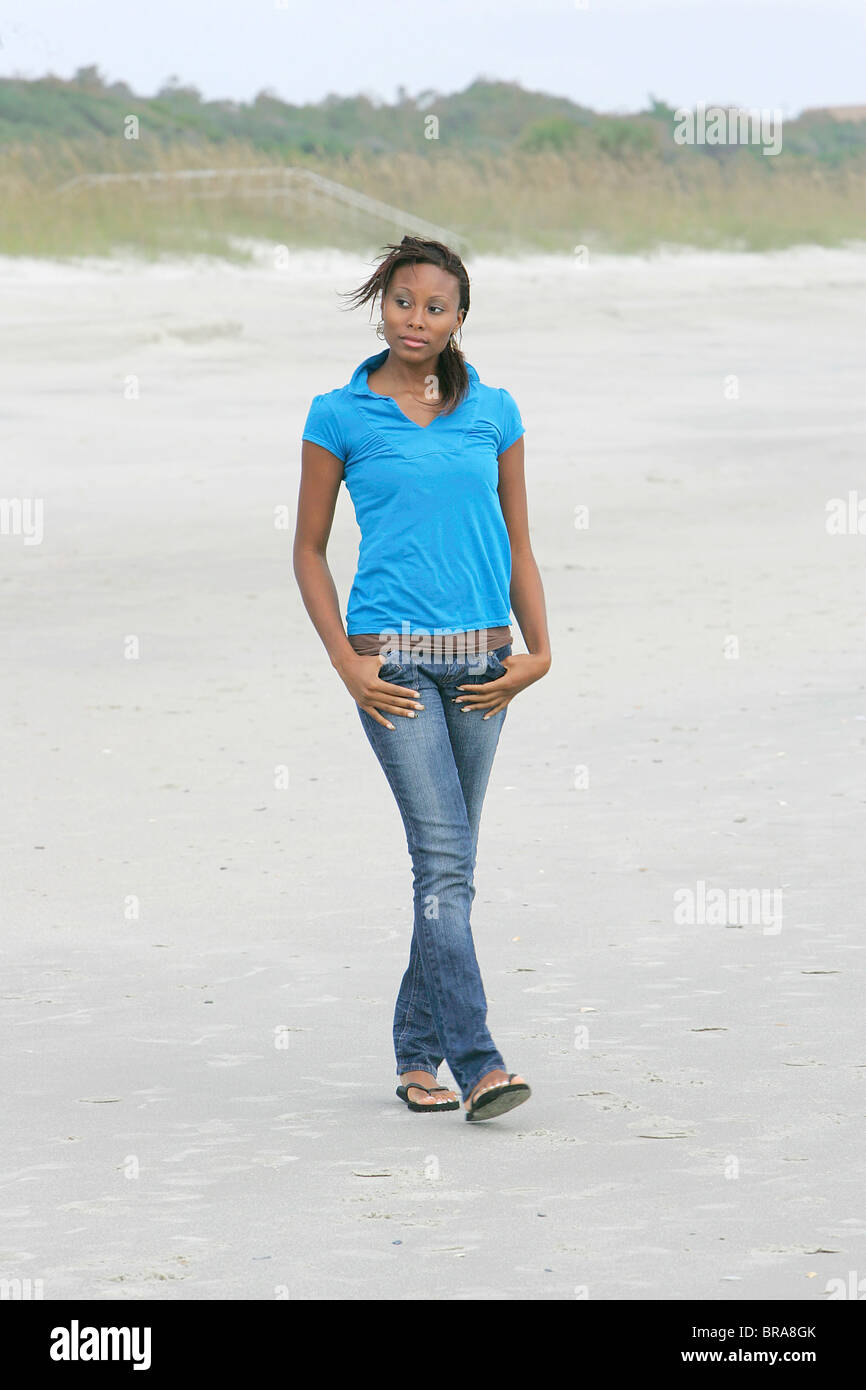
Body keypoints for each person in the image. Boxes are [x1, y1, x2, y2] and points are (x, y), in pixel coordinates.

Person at [293, 235, 551, 1121]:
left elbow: (520, 543)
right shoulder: (340, 415)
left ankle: (415, 1055)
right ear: (383, 306)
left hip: (485, 665)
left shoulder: (497, 412)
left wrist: (538, 652)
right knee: (443, 865)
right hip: (393, 666)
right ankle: (480, 1063)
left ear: (459, 319)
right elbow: (308, 550)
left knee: (452, 871)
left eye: (435, 306)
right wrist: (346, 663)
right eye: (404, 301)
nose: (417, 318)